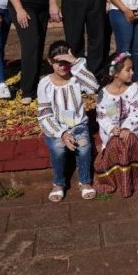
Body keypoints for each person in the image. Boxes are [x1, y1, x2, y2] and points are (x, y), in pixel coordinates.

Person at [37, 40, 99, 202]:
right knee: (58, 149)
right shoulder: (45, 84)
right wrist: (62, 133)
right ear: (50, 61)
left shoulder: (76, 78)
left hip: (77, 125)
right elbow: (44, 114)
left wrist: (76, 63)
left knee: (84, 147)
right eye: (58, 62)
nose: (63, 67)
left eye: (66, 62)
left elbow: (93, 86)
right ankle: (58, 183)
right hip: (56, 128)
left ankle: (85, 181)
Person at [93, 52, 138, 197]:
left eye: (132, 69)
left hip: (130, 129)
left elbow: (136, 112)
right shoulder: (104, 94)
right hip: (111, 132)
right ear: (116, 73)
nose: (133, 72)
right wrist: (112, 128)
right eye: (128, 69)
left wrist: (126, 128)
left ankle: (132, 181)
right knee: (115, 142)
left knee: (127, 141)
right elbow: (102, 117)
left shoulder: (133, 90)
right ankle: (113, 181)